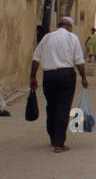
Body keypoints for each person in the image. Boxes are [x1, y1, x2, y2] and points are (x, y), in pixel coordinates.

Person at [29, 16, 88, 153]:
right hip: (66, 75)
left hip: (49, 76)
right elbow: (79, 61)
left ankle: (52, 137)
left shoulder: (47, 38)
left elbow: (36, 58)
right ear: (69, 26)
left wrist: (32, 77)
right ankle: (59, 143)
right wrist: (83, 77)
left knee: (51, 107)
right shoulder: (72, 38)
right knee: (63, 108)